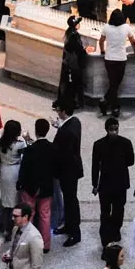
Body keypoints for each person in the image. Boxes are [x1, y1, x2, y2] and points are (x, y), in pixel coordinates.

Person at [92, 118, 135, 247]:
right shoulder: (99, 144)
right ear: (107, 130)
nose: (114, 132)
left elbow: (131, 161)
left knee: (119, 209)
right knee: (105, 211)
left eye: (116, 129)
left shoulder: (125, 143)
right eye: (112, 129)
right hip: (107, 183)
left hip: (119, 183)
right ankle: (106, 235)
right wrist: (95, 184)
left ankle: (116, 230)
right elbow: (95, 166)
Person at [17, 119, 55, 252]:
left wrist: (20, 184)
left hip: (30, 188)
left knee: (29, 215)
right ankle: (45, 244)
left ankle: (29, 243)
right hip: (46, 188)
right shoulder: (52, 148)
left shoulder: (30, 150)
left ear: (36, 130)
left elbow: (24, 170)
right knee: (45, 216)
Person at [53, 102, 83, 247]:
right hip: (74, 168)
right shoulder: (75, 122)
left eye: (58, 110)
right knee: (70, 199)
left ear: (63, 111)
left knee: (71, 200)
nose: (57, 113)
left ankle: (75, 232)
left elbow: (58, 151)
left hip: (67, 171)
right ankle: (69, 225)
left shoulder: (65, 133)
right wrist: (59, 126)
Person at [99, 9, 135, 117]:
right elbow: (132, 41)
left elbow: (101, 40)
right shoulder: (126, 27)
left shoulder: (106, 27)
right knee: (115, 83)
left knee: (113, 83)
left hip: (109, 59)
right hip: (121, 59)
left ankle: (105, 101)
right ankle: (115, 107)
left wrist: (102, 50)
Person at [0, 121, 28, 241]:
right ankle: (9, 229)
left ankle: (0, 224)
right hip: (15, 172)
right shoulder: (20, 144)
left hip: (4, 171)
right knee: (13, 202)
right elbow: (26, 155)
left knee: (5, 199)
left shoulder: (0, 141)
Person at [3, 203, 44, 269]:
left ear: (25, 217)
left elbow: (36, 264)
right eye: (13, 215)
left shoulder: (34, 236)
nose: (12, 218)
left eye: (16, 216)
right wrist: (8, 254)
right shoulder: (15, 229)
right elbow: (15, 247)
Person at [55, 15, 87, 111]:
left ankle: (63, 102)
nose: (79, 25)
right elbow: (78, 49)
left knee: (66, 83)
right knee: (74, 84)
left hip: (67, 63)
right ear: (76, 25)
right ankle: (71, 103)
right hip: (73, 64)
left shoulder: (69, 33)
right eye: (78, 23)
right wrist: (85, 50)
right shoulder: (74, 35)